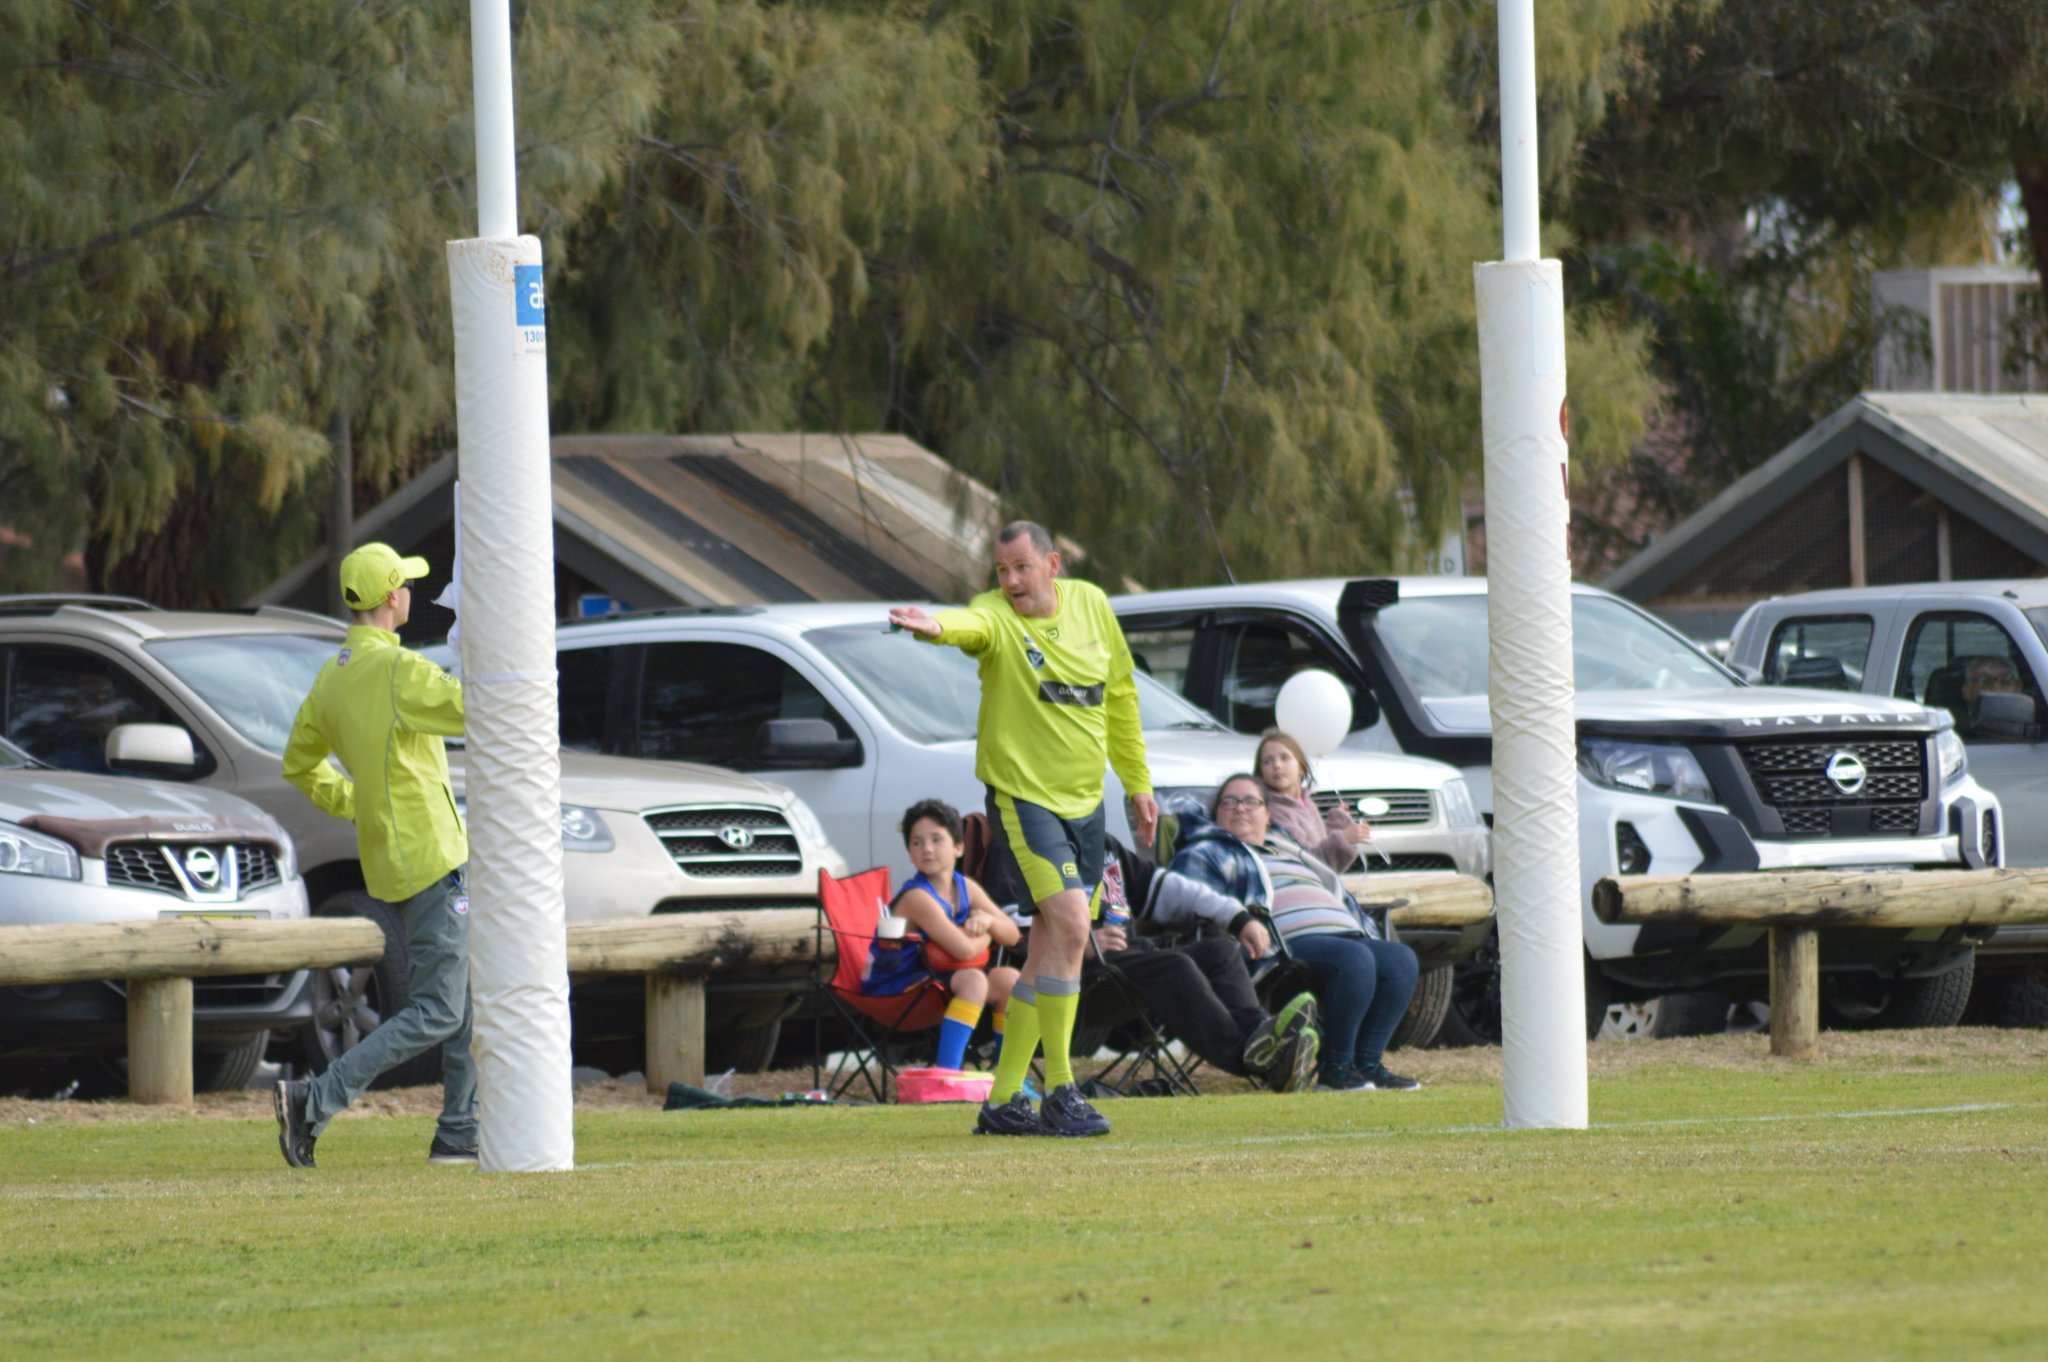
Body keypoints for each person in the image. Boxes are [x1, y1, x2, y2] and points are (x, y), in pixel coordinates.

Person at [890, 519, 1157, 1138]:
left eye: (1020, 568)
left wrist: (1138, 782)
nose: (1009, 581)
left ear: (1053, 564)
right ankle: (1061, 1089)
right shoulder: (996, 617)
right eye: (1000, 571)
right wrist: (937, 628)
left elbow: (1120, 697)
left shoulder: (1092, 605)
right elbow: (971, 623)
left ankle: (1005, 1098)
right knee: (1069, 924)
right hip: (1024, 798)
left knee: (1048, 948)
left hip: (1086, 802)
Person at [272, 543, 475, 1168]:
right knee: (441, 1008)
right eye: (409, 583)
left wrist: (356, 802)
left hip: (392, 857)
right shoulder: (399, 670)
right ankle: (314, 1099)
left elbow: (297, 763)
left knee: (462, 999)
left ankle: (458, 1134)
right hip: (433, 854)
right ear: (394, 598)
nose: (413, 591)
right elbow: (476, 706)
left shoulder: (332, 674)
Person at [1169, 776, 1420, 1093]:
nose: (1240, 809)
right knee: (1355, 959)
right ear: (1216, 812)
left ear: (1268, 813)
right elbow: (1190, 904)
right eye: (1229, 802)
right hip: (1279, 945)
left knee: (1401, 961)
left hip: (1341, 933)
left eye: (1251, 802)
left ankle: (1366, 1064)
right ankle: (1336, 1071)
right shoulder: (1206, 852)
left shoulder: (1290, 849)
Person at [1087, 835, 1321, 1092]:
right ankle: (1255, 1060)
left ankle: (1259, 1032)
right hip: (1081, 980)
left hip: (1129, 967)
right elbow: (1033, 926)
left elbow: (1168, 889)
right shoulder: (1045, 840)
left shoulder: (1104, 842)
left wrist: (1237, 917)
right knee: (1174, 966)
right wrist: (1082, 942)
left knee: (1219, 951)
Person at [869, 799, 1021, 1071]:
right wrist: (987, 929)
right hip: (899, 991)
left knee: (1009, 979)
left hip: (936, 985)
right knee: (974, 979)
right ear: (909, 853)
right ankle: (948, 1072)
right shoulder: (917, 897)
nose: (926, 849)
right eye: (917, 842)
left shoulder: (966, 887)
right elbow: (963, 950)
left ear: (959, 847)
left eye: (937, 839)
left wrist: (986, 918)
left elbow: (1012, 936)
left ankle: (1008, 1076)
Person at [1255, 728, 1373, 872]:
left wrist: (1338, 822)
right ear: (1261, 773)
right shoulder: (1273, 812)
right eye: (1267, 761)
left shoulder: (1307, 803)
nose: (1277, 765)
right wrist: (1344, 838)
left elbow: (1318, 843)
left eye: (1284, 758)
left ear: (1301, 768)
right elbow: (1308, 861)